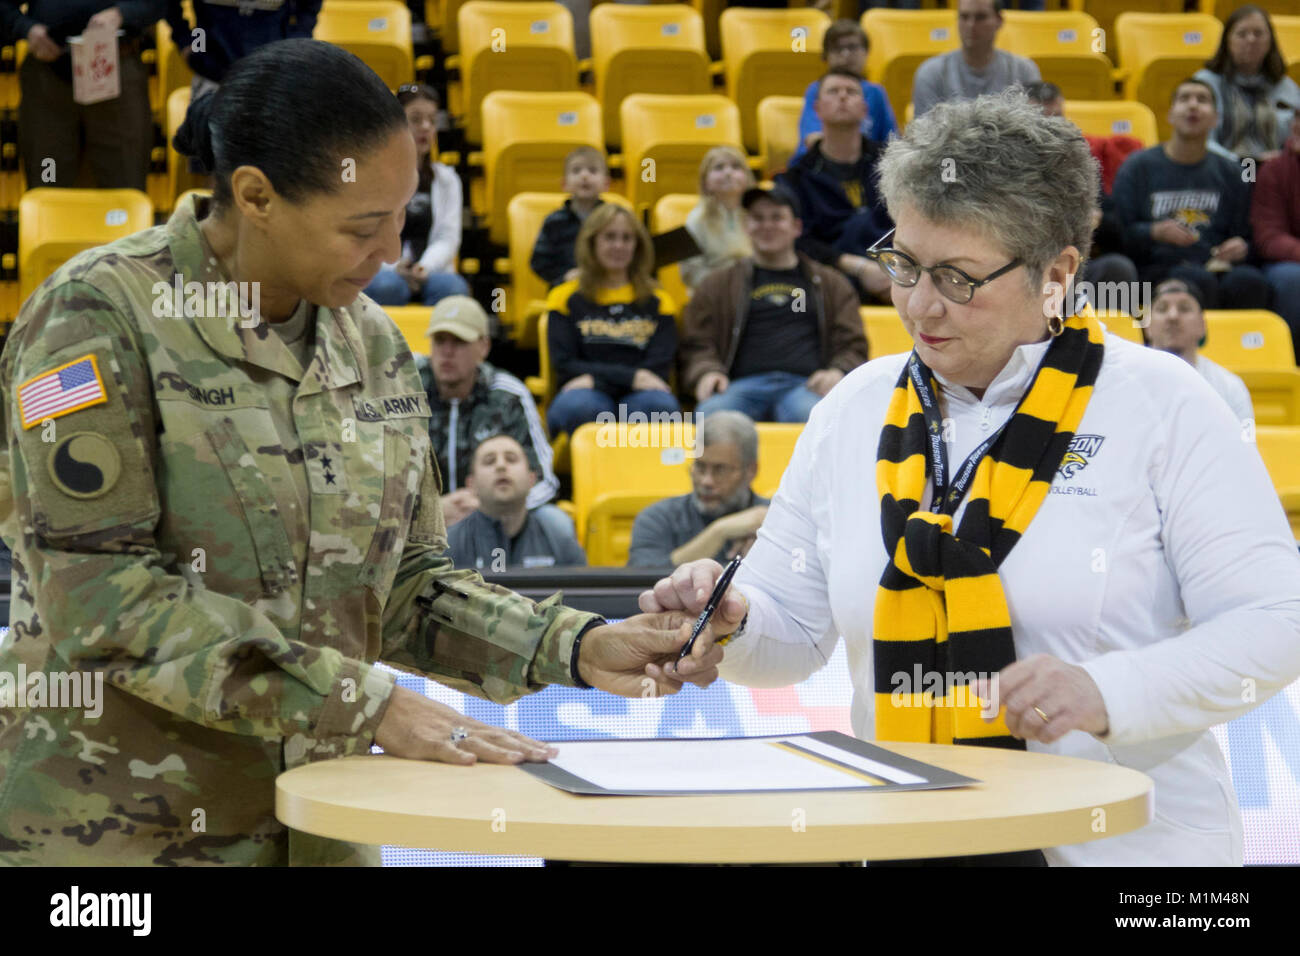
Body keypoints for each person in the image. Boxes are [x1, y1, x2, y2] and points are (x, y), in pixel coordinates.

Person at [0, 40, 725, 867]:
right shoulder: (95, 316)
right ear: (255, 195)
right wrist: (366, 704)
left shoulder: (374, 345)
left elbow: (407, 588)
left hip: (324, 828)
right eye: (361, 226)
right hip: (117, 836)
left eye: (402, 219)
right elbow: (102, 598)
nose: (389, 254)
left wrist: (576, 645)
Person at [640, 92, 1300, 866]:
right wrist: (734, 616)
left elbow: (1274, 623)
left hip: (1135, 858)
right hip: (910, 845)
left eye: (957, 277)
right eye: (906, 264)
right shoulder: (853, 408)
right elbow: (793, 635)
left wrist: (1111, 691)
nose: (919, 305)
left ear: (1056, 273)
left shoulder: (1165, 404)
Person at [682, 185, 868, 423]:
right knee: (711, 418)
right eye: (758, 218)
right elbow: (697, 342)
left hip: (805, 387)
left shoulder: (832, 284)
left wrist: (837, 371)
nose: (767, 226)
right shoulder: (717, 285)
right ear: (746, 227)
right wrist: (707, 371)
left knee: (820, 420)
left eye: (777, 217)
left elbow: (853, 343)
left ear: (796, 227)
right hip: (738, 387)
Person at [1112, 78, 1271, 310]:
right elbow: (1116, 232)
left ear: (1216, 119)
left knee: (1249, 282)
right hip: (1156, 266)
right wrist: (1153, 231)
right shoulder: (1137, 167)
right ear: (1170, 115)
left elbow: (1248, 235)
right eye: (1184, 98)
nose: (1193, 105)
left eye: (1202, 100)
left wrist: (1243, 248)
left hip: (1215, 265)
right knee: (1197, 281)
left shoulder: (1232, 172)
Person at [414, 295, 562, 527]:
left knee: (555, 521)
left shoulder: (507, 395)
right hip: (418, 524)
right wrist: (427, 510)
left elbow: (545, 483)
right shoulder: (404, 388)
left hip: (494, 522)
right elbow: (372, 477)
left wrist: (490, 509)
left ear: (484, 347)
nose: (447, 352)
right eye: (439, 340)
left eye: (459, 342)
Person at [544, 204, 681, 437]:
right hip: (587, 393)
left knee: (657, 409)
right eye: (609, 237)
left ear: (637, 246)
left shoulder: (659, 300)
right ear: (592, 242)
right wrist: (632, 378)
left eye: (627, 238)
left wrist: (597, 380)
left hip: (633, 392)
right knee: (585, 409)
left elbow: (658, 366)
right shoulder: (563, 297)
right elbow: (565, 363)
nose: (619, 245)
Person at [2, 0, 162, 191]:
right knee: (47, 182)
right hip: (48, 77)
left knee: (124, 186)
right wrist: (26, 28)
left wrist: (122, 14)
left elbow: (162, 4)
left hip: (117, 71)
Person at [776, 68, 893, 302]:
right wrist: (859, 267)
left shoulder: (892, 164)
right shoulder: (797, 176)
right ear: (817, 109)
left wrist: (895, 270)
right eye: (833, 91)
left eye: (851, 92)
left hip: (896, 272)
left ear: (864, 109)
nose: (842, 97)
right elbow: (798, 240)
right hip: (828, 281)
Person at [1024, 81, 1140, 304]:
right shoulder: (1002, 168)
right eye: (1040, 122)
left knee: (1117, 268)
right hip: (1022, 267)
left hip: (1071, 267)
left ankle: (1106, 336)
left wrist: (1100, 220)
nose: (1050, 130)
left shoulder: (1079, 164)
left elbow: (1119, 232)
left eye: (1057, 120)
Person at [361, 84, 470, 307]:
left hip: (431, 271)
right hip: (385, 269)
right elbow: (368, 234)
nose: (426, 127)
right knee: (387, 286)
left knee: (454, 288)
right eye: (416, 119)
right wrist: (395, 266)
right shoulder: (372, 178)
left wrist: (425, 267)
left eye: (432, 120)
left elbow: (448, 238)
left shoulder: (447, 179)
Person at [627, 411, 769, 568]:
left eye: (720, 470)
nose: (706, 481)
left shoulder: (774, 521)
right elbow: (640, 581)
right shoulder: (657, 518)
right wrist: (718, 533)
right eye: (700, 467)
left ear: (751, 471)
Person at [447, 434, 586, 570]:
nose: (501, 466)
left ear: (531, 480)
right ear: (472, 484)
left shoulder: (561, 543)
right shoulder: (447, 549)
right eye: (489, 461)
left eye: (511, 459)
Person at [1194, 5, 1300, 164]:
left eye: (1258, 34)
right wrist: (1245, 161)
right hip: (1221, 170)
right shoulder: (1205, 83)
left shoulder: (1287, 87)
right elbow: (1199, 140)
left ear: (1270, 40)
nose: (1251, 40)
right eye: (1242, 34)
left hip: (1274, 171)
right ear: (1227, 41)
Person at [1143, 278, 1254, 424]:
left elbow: (1244, 445)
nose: (1173, 316)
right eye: (1162, 309)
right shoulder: (1127, 380)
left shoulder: (1230, 387)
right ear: (1147, 326)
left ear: (1202, 325)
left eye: (1184, 308)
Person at [910, 0, 1040, 119]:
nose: (971, 25)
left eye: (980, 17)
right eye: (964, 17)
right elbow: (924, 137)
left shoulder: (1024, 70)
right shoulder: (931, 73)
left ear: (999, 20)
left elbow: (1034, 132)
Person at [165, 0, 319, 98]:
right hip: (210, 75)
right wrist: (186, 42)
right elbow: (168, 5)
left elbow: (309, 8)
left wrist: (296, 42)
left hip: (273, 77)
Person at [793, 19, 896, 162]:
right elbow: (812, 139)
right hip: (818, 169)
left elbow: (892, 145)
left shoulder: (876, 93)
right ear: (825, 56)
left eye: (853, 47)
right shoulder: (816, 90)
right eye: (837, 48)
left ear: (866, 52)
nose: (845, 54)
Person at [1249, 111, 1300, 360]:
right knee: (1292, 279)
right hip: (1290, 263)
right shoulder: (1275, 170)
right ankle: (1292, 363)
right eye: (1298, 118)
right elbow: (1268, 237)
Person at [530, 145, 611, 287]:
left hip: (607, 288)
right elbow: (538, 262)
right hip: (565, 290)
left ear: (606, 183)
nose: (584, 176)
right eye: (576, 170)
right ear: (564, 184)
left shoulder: (614, 219)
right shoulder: (554, 222)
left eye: (593, 170)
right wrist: (564, 276)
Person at [678, 146, 755, 291]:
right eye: (719, 167)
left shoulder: (758, 216)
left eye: (736, 166)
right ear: (705, 181)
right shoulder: (696, 219)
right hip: (712, 297)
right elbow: (689, 273)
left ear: (747, 177)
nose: (728, 173)